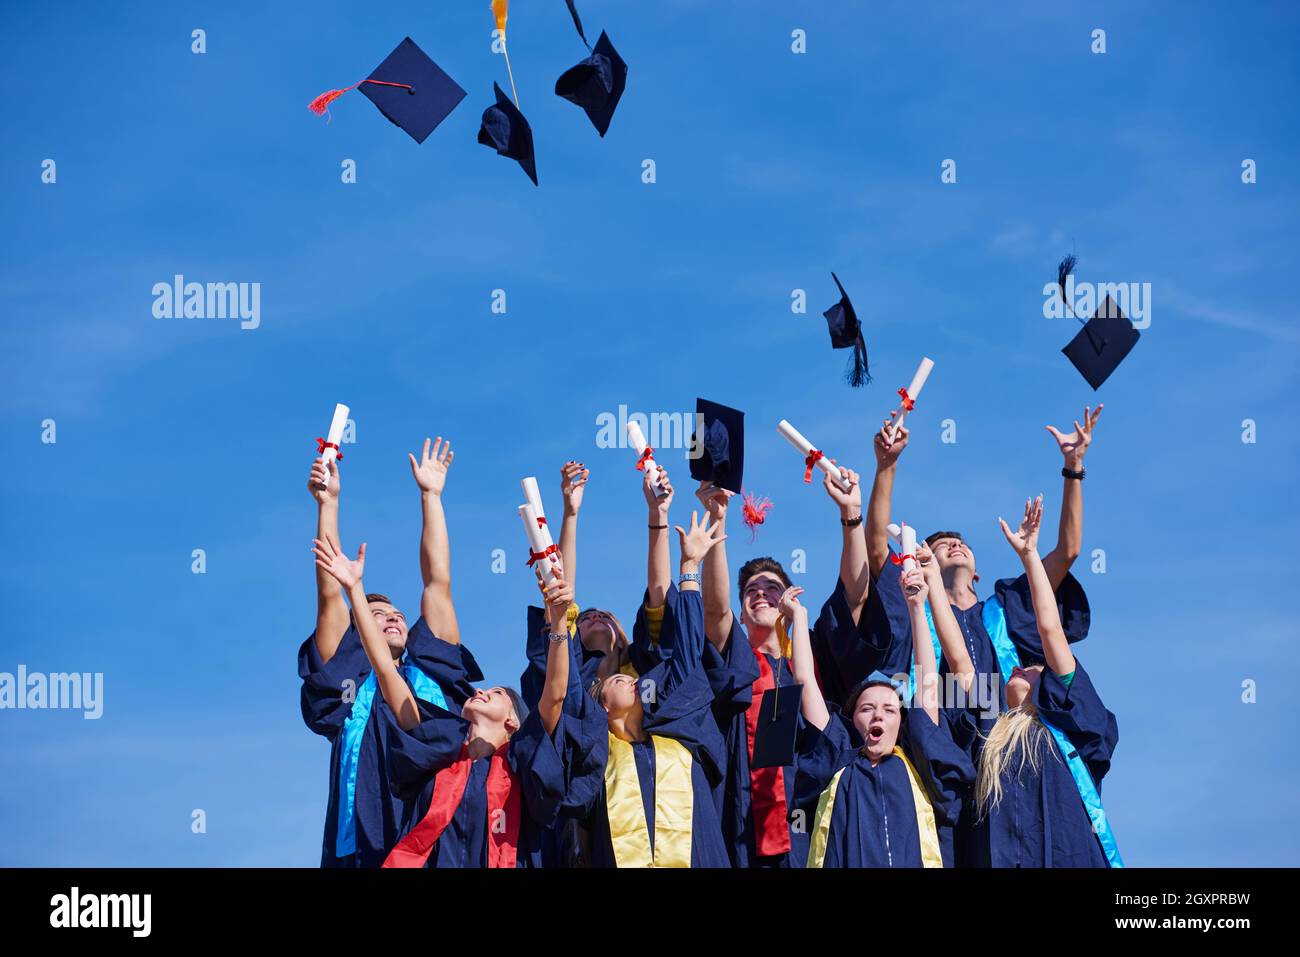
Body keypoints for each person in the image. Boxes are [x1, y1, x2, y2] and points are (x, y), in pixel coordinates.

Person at [312, 531, 584, 867]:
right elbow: (385, 670)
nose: (480, 690)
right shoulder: (433, 753)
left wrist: (558, 620)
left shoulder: (523, 766)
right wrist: (353, 590)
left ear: (513, 721)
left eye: (497, 693)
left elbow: (556, 693)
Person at [864, 406, 1104, 733]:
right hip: (936, 749)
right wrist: (886, 466)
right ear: (925, 562)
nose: (954, 545)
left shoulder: (1008, 607)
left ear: (977, 573)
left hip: (1007, 743)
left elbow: (1068, 551)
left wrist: (1073, 468)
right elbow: (876, 546)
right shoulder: (914, 608)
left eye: (961, 542)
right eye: (941, 546)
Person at [297, 438, 472, 867]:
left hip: (441, 836)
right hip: (364, 844)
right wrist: (328, 504)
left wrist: (431, 496)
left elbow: (438, 581)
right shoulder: (349, 680)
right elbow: (329, 593)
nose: (394, 617)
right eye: (377, 614)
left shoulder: (433, 665)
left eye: (397, 613)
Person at [696, 459, 871, 868]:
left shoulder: (808, 661)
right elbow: (715, 612)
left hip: (804, 825)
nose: (760, 594)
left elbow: (856, 595)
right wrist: (718, 522)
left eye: (772, 589)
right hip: (737, 818)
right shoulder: (735, 659)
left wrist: (800, 622)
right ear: (741, 613)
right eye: (751, 591)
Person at [943, 496, 1121, 868]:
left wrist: (1029, 555)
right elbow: (960, 664)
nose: (1019, 667)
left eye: (1031, 667)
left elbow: (1049, 628)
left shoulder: (1069, 729)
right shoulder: (987, 734)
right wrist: (925, 587)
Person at [559, 510, 732, 866]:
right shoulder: (593, 756)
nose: (637, 681)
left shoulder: (680, 734)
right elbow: (564, 684)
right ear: (601, 705)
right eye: (622, 679)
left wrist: (689, 569)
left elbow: (686, 653)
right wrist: (558, 612)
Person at [792, 568, 974, 867]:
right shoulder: (838, 759)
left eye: (889, 710)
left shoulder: (918, 761)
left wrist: (916, 606)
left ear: (901, 722)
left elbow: (926, 676)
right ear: (853, 720)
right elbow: (805, 680)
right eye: (866, 708)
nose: (878, 713)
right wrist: (798, 617)